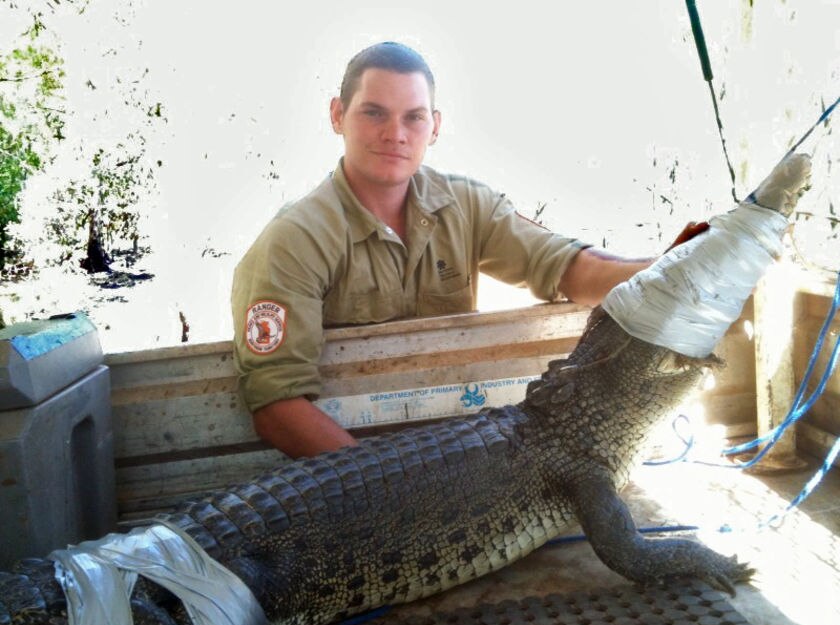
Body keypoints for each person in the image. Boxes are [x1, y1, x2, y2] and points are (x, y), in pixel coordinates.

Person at [231, 42, 703, 458]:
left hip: (457, 443)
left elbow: (568, 269)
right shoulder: (294, 241)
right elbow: (277, 409)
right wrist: (386, 486)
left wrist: (667, 270)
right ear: (337, 115)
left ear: (433, 126)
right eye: (373, 112)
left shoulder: (467, 207)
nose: (395, 133)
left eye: (413, 117)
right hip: (339, 467)